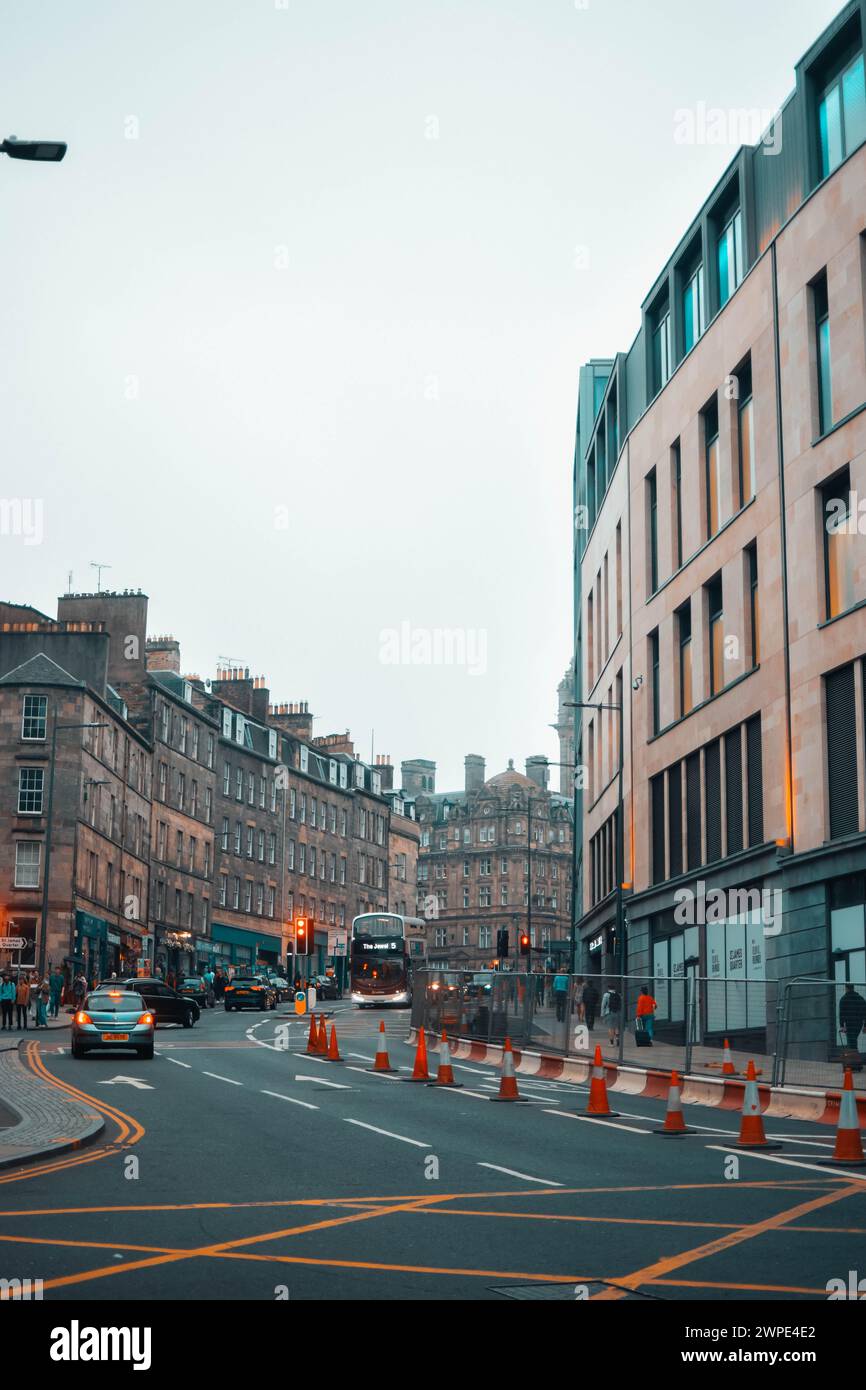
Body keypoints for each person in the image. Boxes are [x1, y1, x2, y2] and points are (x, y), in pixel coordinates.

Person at [839, 983, 866, 1053]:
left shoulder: (843, 999)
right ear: (853, 988)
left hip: (849, 1023)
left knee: (851, 1042)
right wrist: (865, 1025)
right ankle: (854, 1058)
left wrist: (842, 1026)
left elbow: (841, 1013)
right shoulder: (860, 998)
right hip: (858, 1023)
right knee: (853, 1040)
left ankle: (854, 1059)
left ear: (846, 988)